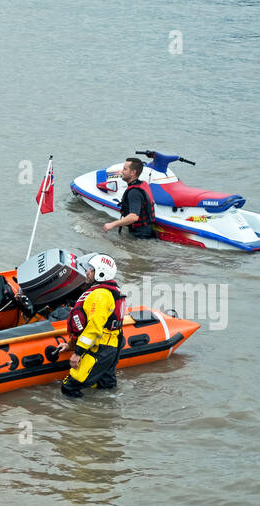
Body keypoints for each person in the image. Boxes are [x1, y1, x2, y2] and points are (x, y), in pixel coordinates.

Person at [58, 253, 126, 397]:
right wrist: (70, 345)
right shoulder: (112, 291)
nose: (87, 272)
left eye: (91, 269)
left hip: (101, 348)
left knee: (69, 387)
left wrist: (77, 353)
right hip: (111, 346)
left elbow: (93, 328)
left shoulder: (100, 295)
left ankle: (75, 419)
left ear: (101, 273)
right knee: (105, 385)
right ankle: (103, 415)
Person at [104, 157, 156, 238]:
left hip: (140, 234)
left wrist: (112, 224)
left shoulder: (134, 192)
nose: (121, 171)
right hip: (146, 229)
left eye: (125, 169)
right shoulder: (141, 184)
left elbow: (133, 217)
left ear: (133, 172)